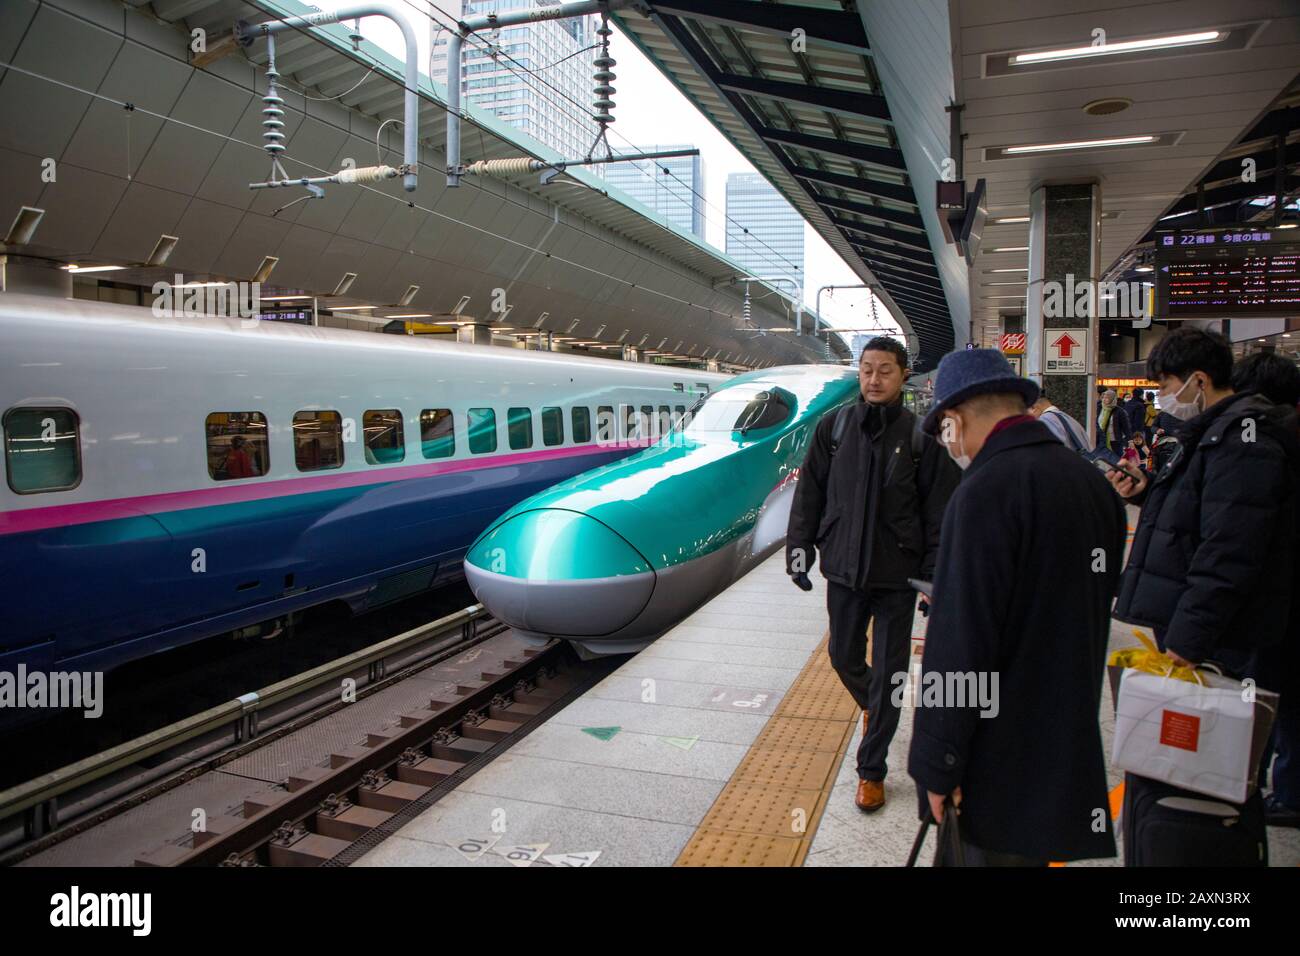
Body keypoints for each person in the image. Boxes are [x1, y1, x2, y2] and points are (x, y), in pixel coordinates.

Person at [907, 350, 1125, 864]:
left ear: (953, 421)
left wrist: (938, 761)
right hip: (1060, 742)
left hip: (993, 758)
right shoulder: (1093, 486)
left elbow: (963, 642)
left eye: (942, 431)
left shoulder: (984, 490)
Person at [1109, 328, 1298, 850]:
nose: (1164, 397)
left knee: (1218, 766)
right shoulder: (1218, 434)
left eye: (1166, 383)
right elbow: (1202, 521)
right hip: (1216, 631)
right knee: (1202, 765)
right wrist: (1148, 494)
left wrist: (1189, 638)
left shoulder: (1245, 440)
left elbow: (1230, 551)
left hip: (1226, 638)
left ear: (1199, 379)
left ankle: (1208, 857)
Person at [787, 336, 960, 813]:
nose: (874, 379)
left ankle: (871, 771)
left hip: (896, 577)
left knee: (890, 672)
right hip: (842, 569)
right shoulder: (834, 427)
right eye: (866, 370)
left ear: (904, 375)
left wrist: (932, 578)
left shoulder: (923, 436)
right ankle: (877, 708)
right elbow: (810, 495)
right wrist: (799, 549)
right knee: (842, 656)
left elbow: (939, 513)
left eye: (885, 370)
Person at [1228, 351, 1300, 828]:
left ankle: (1283, 789)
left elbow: (1241, 533)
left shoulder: (1263, 444)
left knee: (1274, 694)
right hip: (1281, 597)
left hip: (1276, 601)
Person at [1095, 389, 1131, 460]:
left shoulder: (1120, 411)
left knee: (1116, 460)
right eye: (1103, 397)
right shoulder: (1098, 408)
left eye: (1107, 398)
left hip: (1115, 441)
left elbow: (1126, 428)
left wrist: (1130, 441)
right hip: (1100, 440)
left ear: (1112, 399)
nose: (1104, 399)